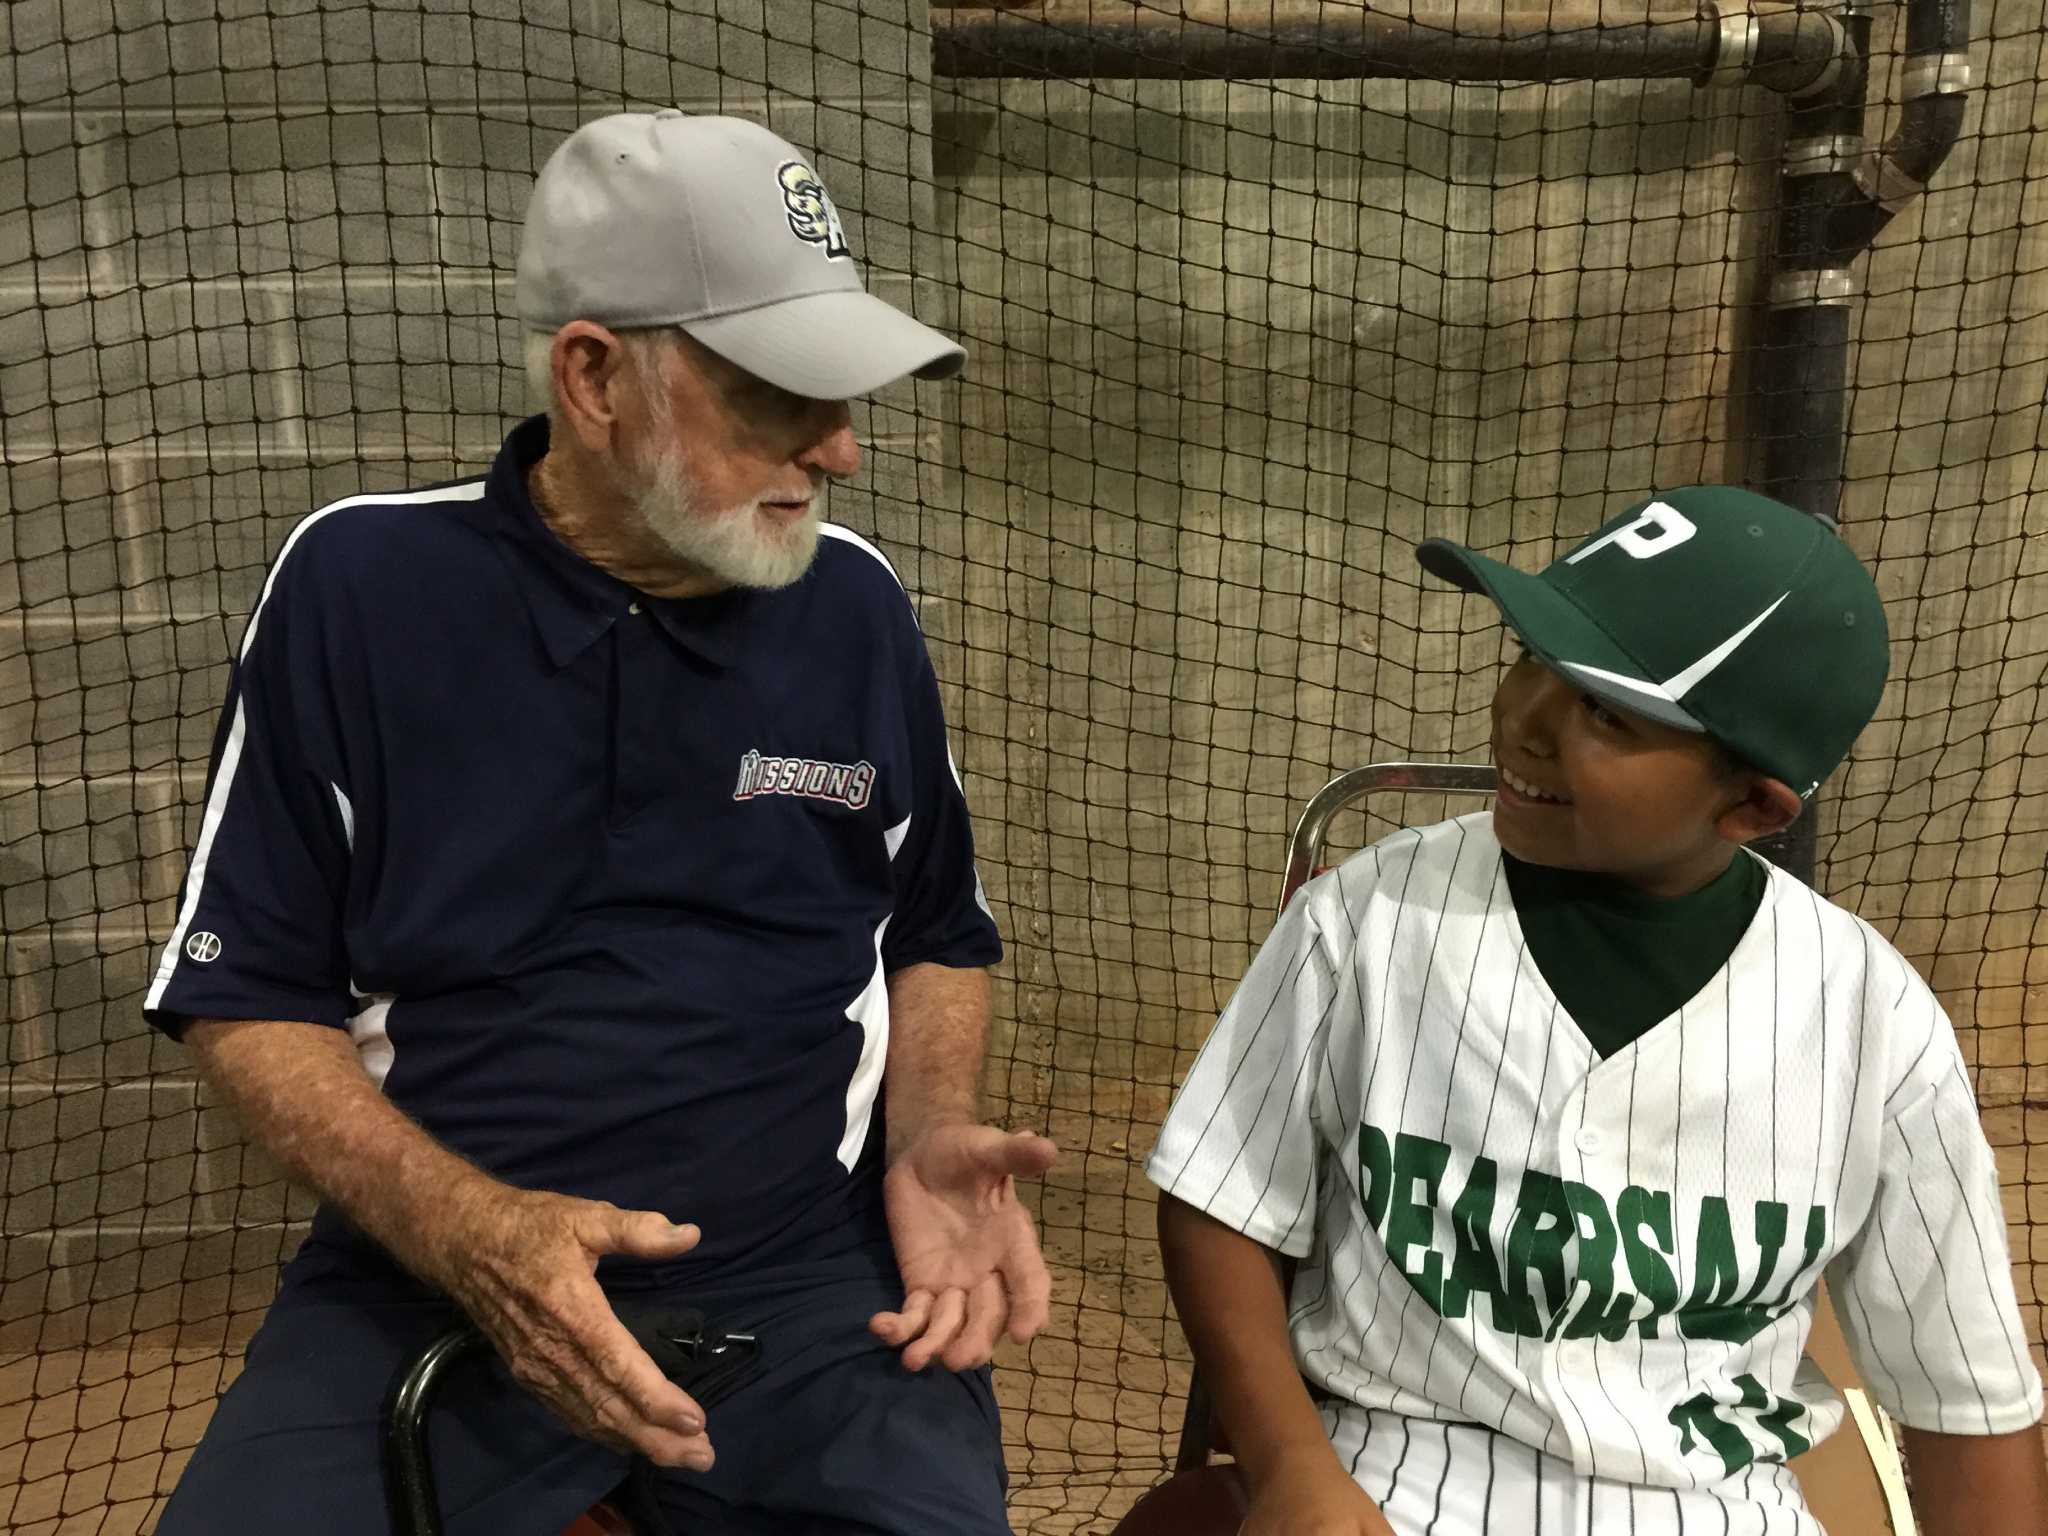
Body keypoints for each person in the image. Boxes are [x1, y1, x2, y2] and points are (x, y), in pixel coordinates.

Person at [144, 110, 1055, 1536]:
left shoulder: (855, 609)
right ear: (594, 376)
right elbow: (244, 996)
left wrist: (927, 1135)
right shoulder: (360, 588)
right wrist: (468, 1231)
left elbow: (937, 930)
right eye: (780, 396)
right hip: (431, 1272)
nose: (841, 449)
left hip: (803, 1288)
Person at [1147, 486, 2048, 1535]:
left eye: (1604, 711)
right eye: (1529, 658)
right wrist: (1291, 1459)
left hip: (1708, 1503)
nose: (1521, 721)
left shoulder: (1870, 1021)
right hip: (1387, 1479)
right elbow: (1220, 1199)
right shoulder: (1370, 916)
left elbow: (1963, 1400)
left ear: (1750, 805)